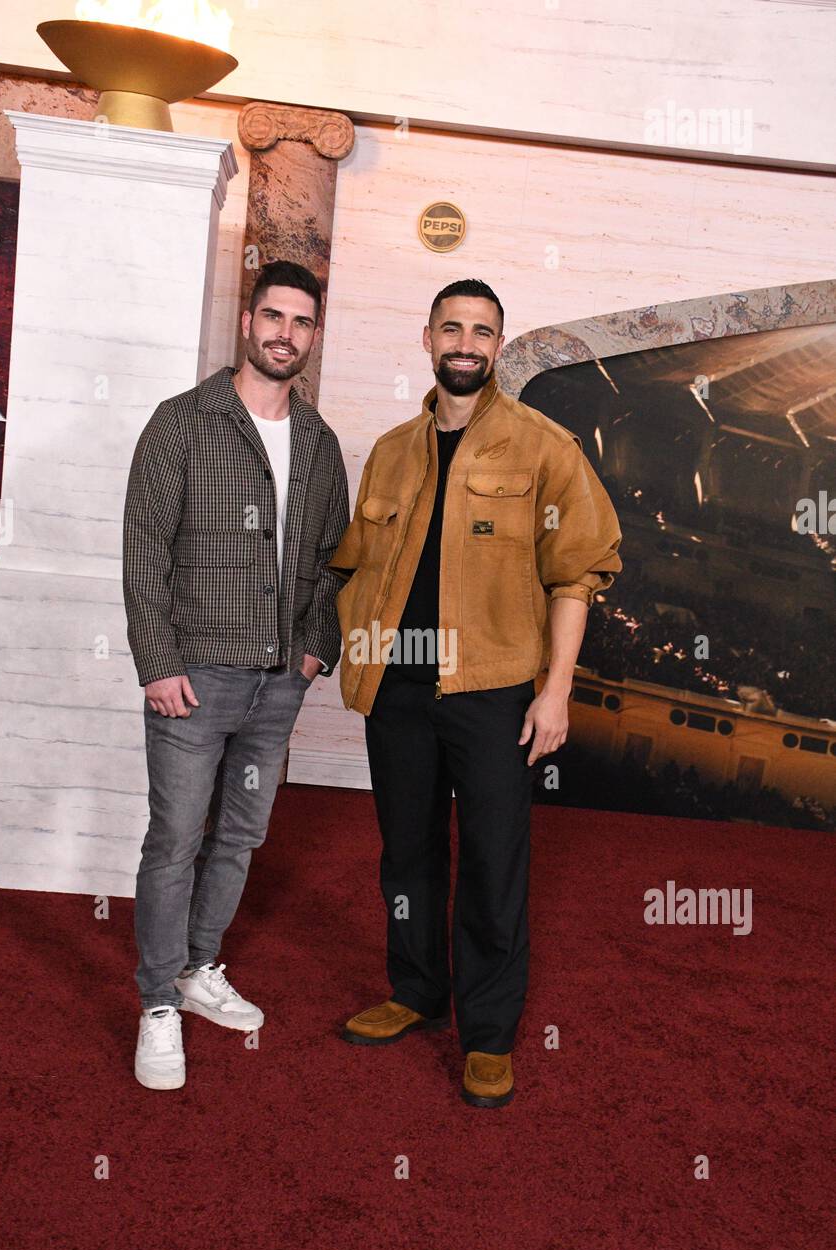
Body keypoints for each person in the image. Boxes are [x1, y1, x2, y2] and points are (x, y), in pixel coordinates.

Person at [329, 279, 622, 1107]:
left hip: (492, 689)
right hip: (398, 685)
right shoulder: (390, 450)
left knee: (494, 861)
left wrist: (555, 691)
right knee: (406, 853)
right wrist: (348, 648)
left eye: (482, 331)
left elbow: (579, 575)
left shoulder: (543, 446)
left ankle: (488, 1034)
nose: (466, 342)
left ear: (499, 344)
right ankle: (415, 992)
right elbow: (356, 563)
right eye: (451, 327)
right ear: (427, 338)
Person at [123, 259, 349, 1090]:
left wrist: (315, 646)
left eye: (301, 321)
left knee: (241, 837)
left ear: (313, 335)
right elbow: (144, 547)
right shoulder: (182, 422)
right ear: (247, 322)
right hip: (193, 677)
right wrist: (156, 661)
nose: (285, 332)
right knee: (176, 839)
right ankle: (156, 1005)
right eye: (273, 316)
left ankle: (197, 967)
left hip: (276, 682)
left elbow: (333, 560)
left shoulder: (321, 443)